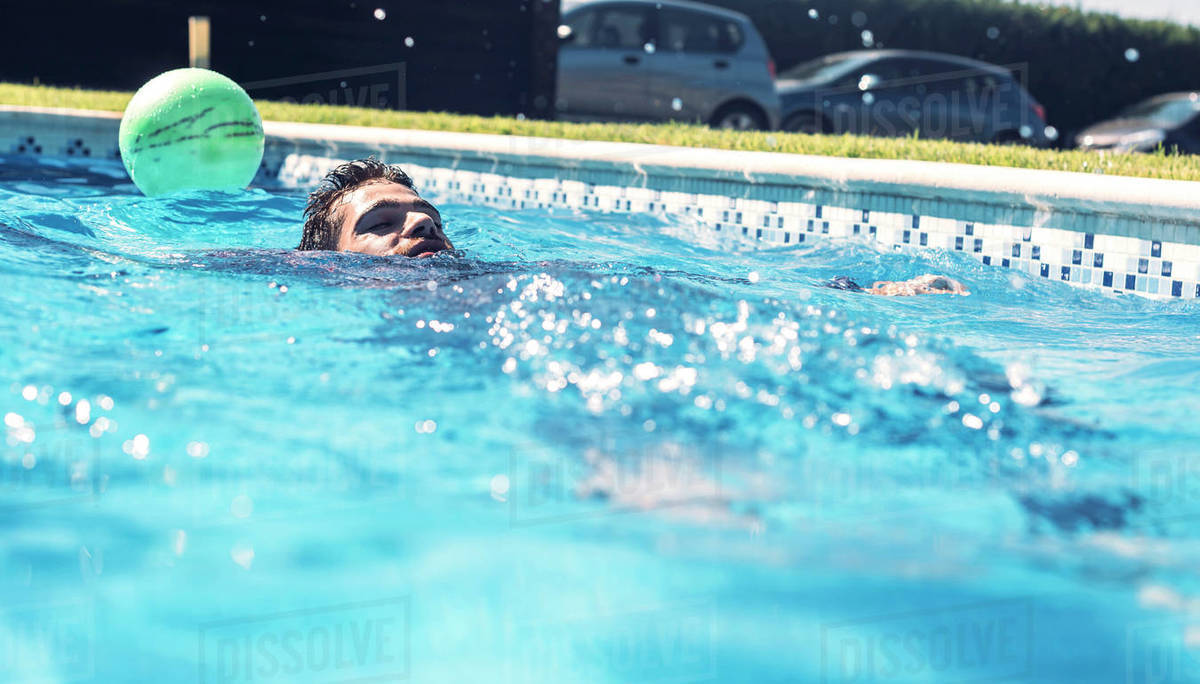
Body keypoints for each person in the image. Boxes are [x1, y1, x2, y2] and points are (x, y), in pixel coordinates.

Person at [298, 158, 968, 296]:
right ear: (329, 262)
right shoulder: (307, 282)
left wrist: (846, 292)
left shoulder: (511, 278)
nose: (416, 227)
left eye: (426, 218)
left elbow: (682, 282)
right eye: (383, 222)